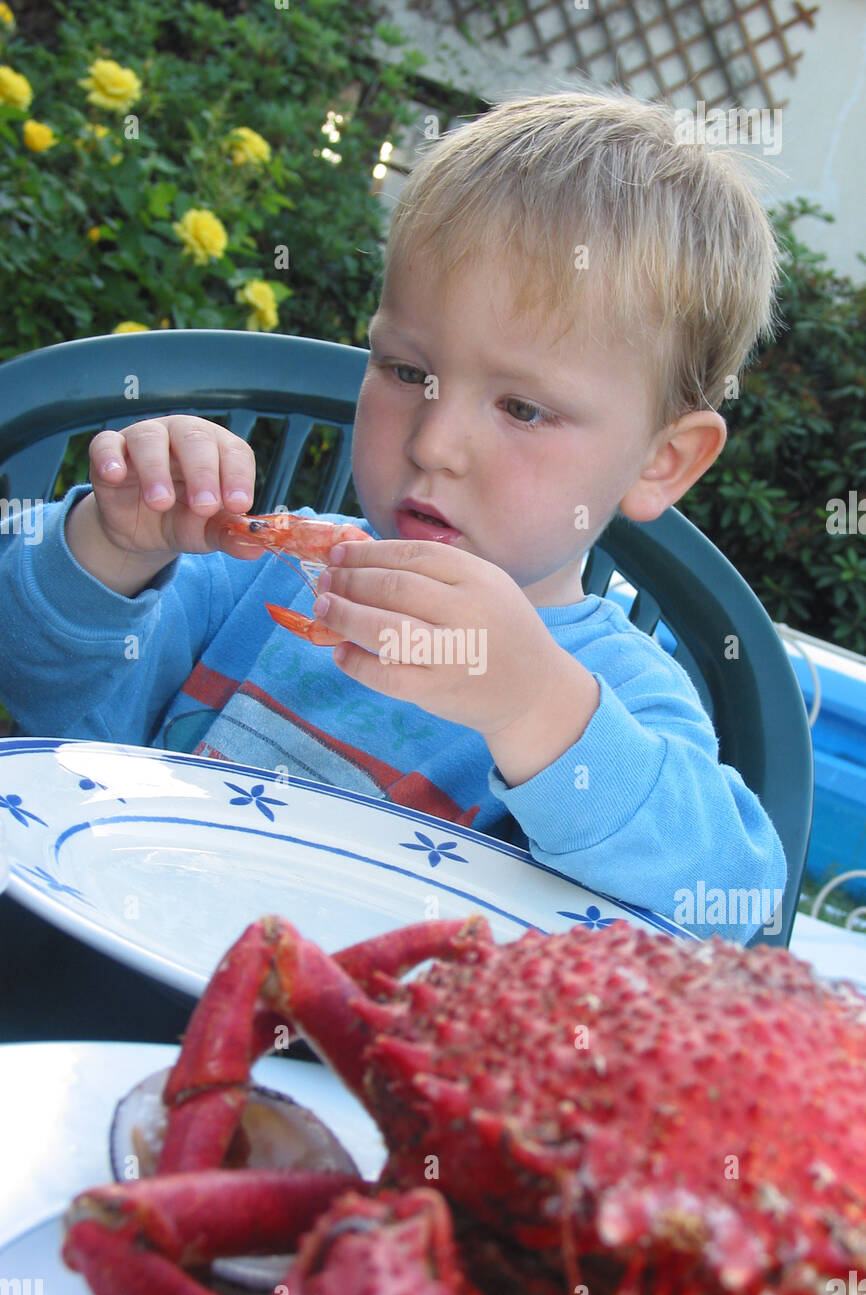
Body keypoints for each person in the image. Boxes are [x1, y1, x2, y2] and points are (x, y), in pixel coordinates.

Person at [0, 89, 787, 941]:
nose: (435, 441)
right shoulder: (259, 572)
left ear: (659, 462)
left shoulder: (619, 696)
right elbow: (44, 694)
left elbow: (727, 903)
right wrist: (110, 551)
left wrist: (535, 709)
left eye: (523, 409)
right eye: (408, 372)